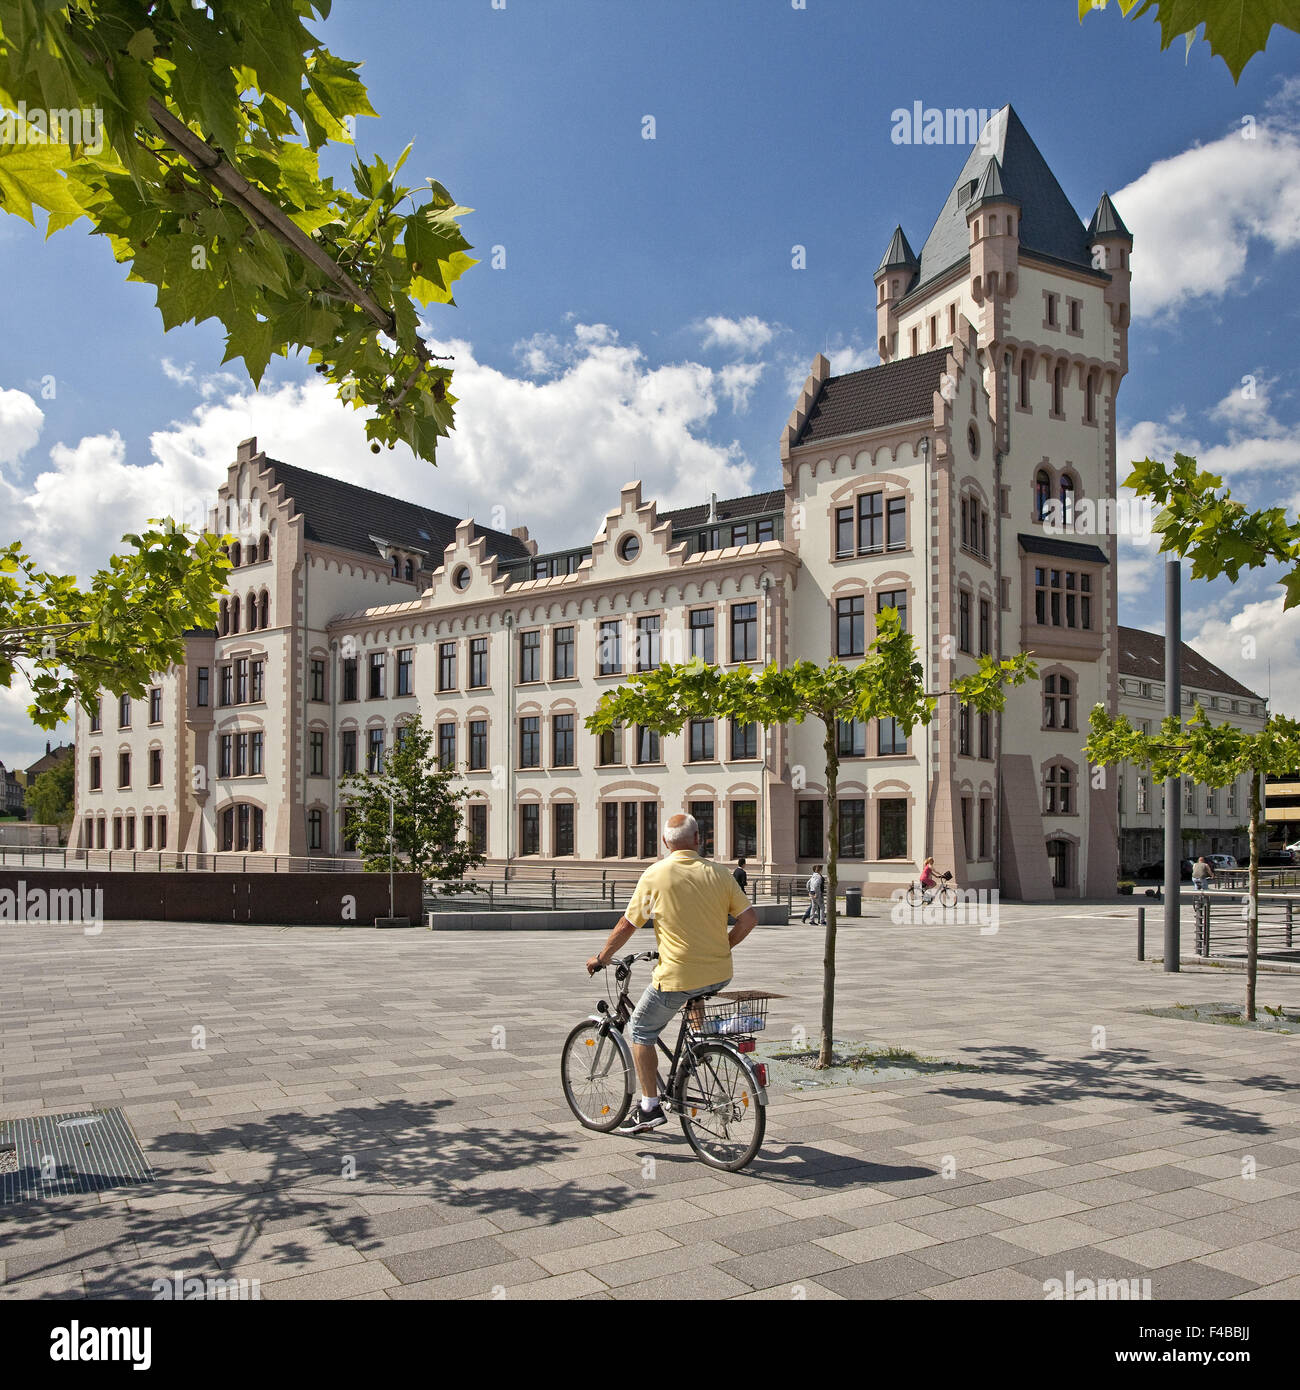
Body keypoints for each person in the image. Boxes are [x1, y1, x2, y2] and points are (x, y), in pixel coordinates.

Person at [586, 813, 757, 1134]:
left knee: (640, 1030)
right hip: (720, 972)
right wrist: (724, 946)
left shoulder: (655, 875)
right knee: (696, 992)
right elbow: (749, 920)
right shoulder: (720, 874)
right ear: (697, 840)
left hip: (678, 975)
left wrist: (601, 957)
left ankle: (649, 1108)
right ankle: (698, 1050)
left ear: (665, 843)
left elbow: (627, 925)